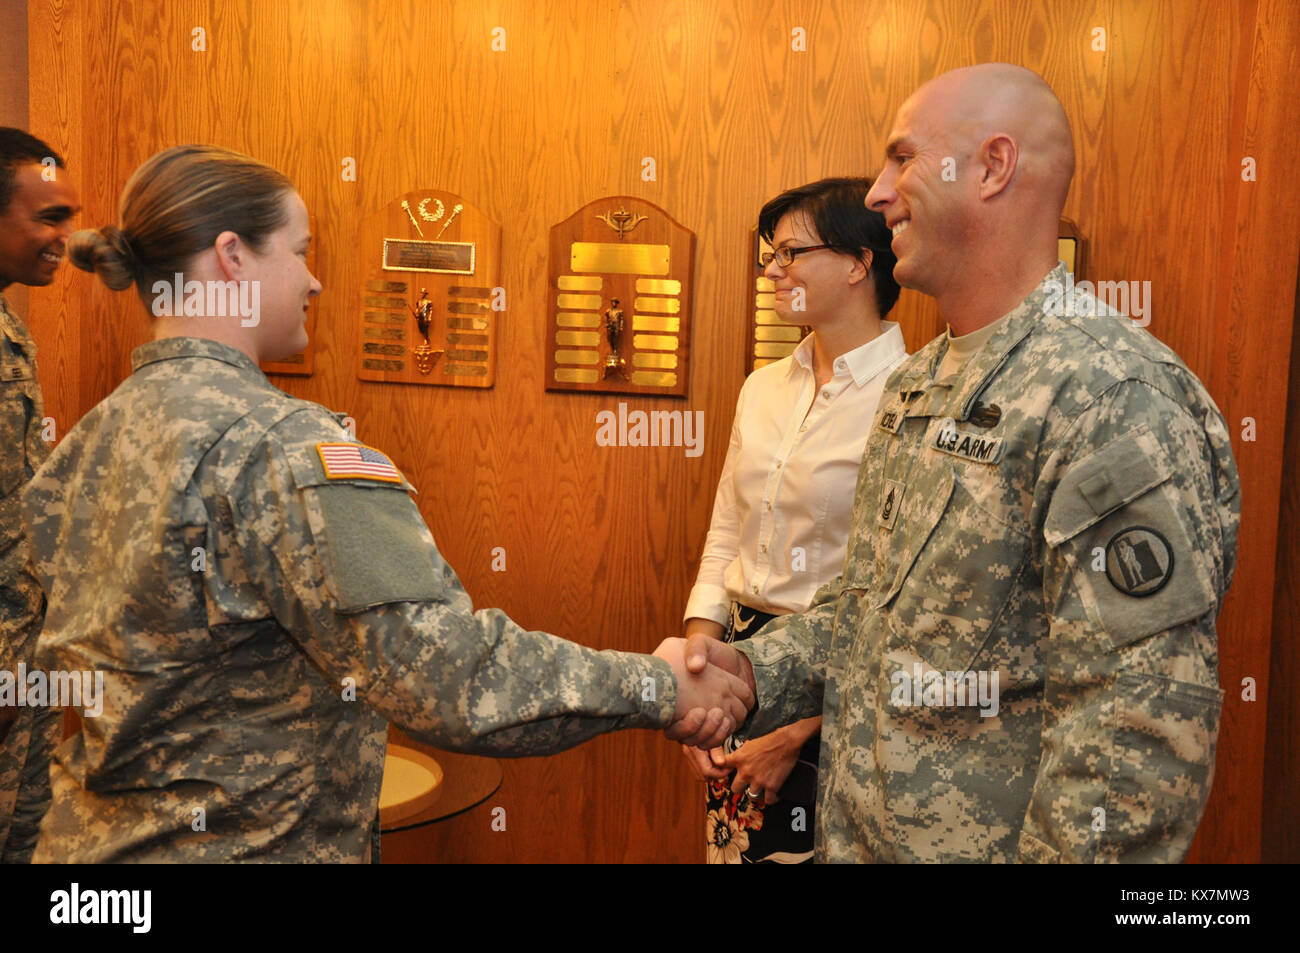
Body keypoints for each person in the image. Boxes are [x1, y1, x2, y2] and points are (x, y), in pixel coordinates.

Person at [22, 144, 751, 863]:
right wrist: (658, 686)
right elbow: (448, 677)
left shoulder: (85, 442)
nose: (313, 280)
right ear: (232, 258)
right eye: (299, 250)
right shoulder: (288, 450)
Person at [672, 63, 1240, 862]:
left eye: (901, 158)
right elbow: (862, 613)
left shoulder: (1110, 394)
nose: (876, 193)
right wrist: (743, 670)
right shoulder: (916, 386)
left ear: (992, 167)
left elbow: (1133, 731)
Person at [681, 177, 905, 863]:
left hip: (846, 685)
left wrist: (802, 731)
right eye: (768, 255)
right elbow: (726, 534)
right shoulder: (763, 387)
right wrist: (699, 672)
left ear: (859, 261)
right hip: (741, 664)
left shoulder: (912, 397)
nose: (772, 271)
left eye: (790, 253)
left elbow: (901, 602)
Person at [0, 129, 79, 864]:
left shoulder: (11, 332)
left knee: (29, 841)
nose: (65, 237)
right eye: (49, 216)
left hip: (26, 659)